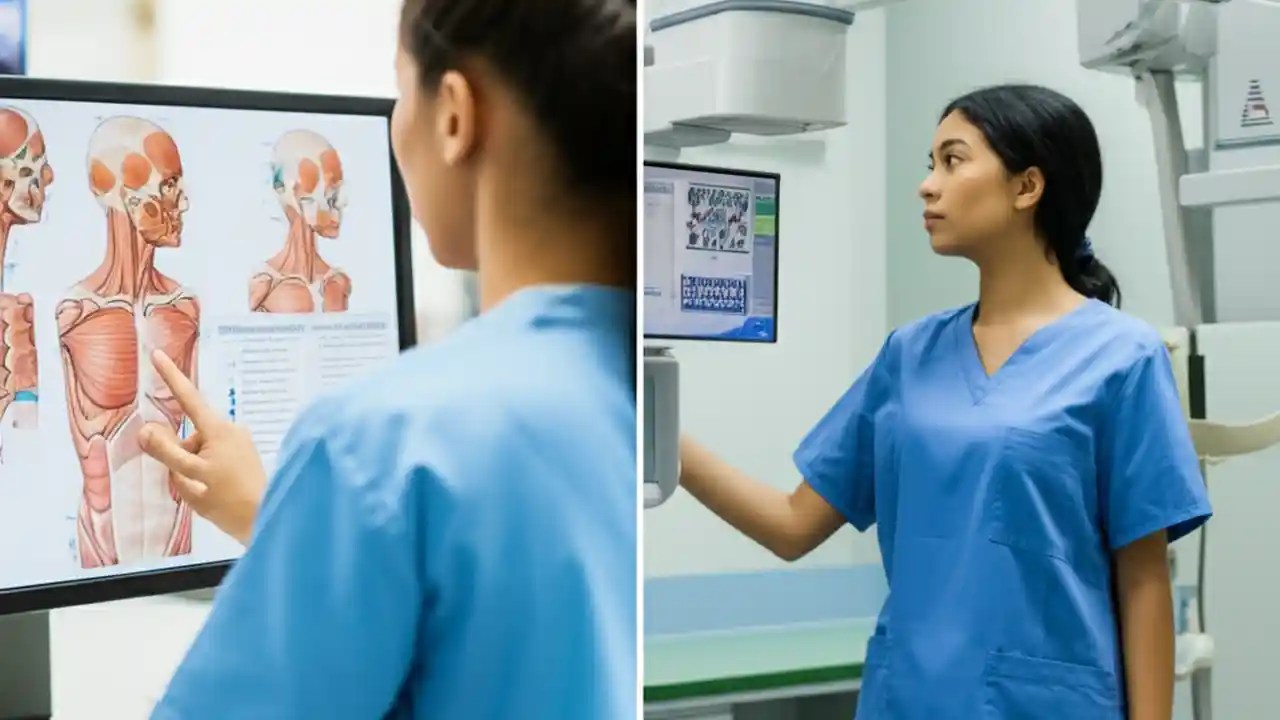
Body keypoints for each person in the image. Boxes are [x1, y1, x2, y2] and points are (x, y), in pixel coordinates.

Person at [142, 1, 636, 718]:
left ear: (455, 116)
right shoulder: (635, 394)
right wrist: (290, 525)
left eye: (402, 90)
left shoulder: (377, 444)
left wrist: (327, 506)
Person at [679, 84, 1212, 719]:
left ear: (1026, 187)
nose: (928, 186)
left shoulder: (1122, 358)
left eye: (952, 161)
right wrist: (659, 436)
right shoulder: (909, 356)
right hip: (909, 699)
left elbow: (1145, 580)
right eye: (929, 165)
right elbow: (792, 527)